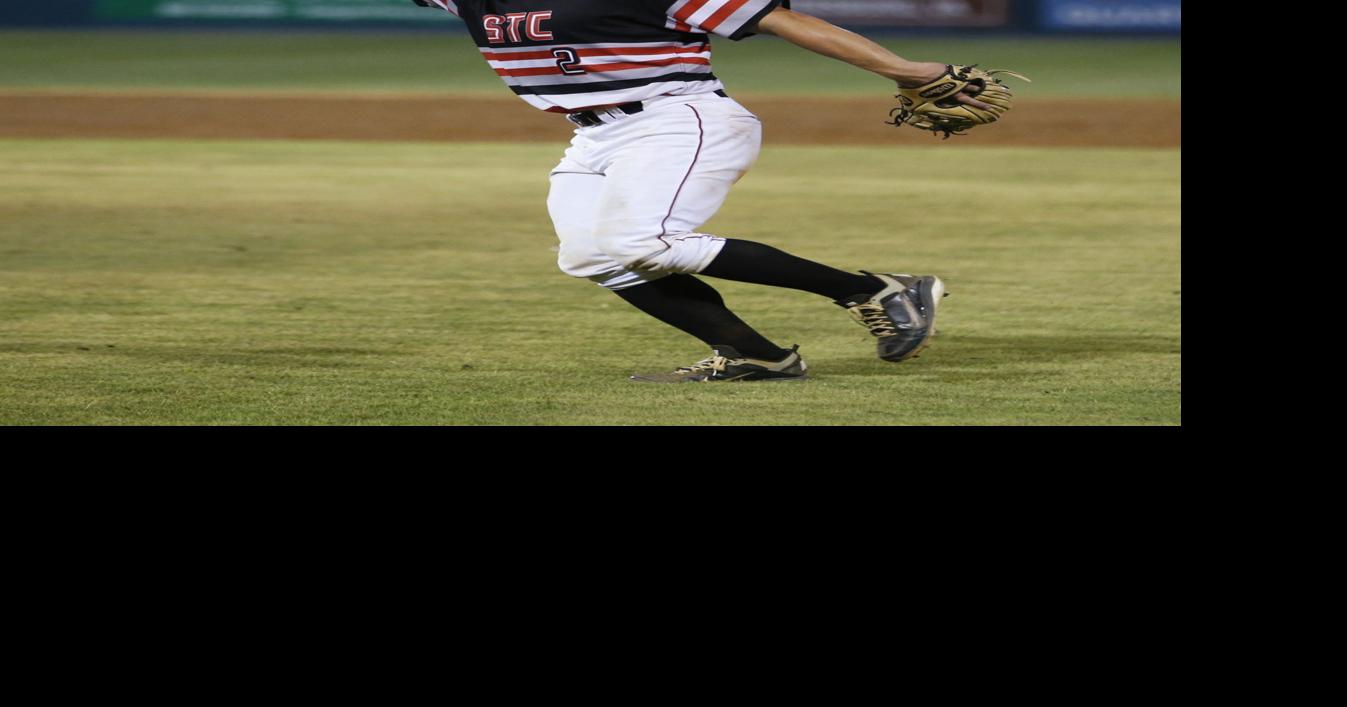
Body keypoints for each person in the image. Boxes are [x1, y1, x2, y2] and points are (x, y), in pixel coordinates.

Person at [412, 0, 993, 382]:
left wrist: (904, 69)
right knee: (589, 254)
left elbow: (778, 19)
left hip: (678, 118)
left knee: (645, 242)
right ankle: (761, 357)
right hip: (591, 137)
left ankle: (877, 290)